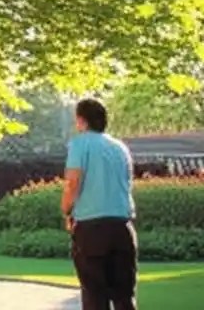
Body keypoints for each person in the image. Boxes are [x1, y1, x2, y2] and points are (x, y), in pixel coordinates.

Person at [62, 97, 138, 310]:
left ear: (82, 121)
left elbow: (73, 183)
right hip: (122, 228)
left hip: (91, 229)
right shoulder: (120, 148)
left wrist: (66, 210)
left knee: (94, 297)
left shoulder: (80, 144)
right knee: (124, 297)